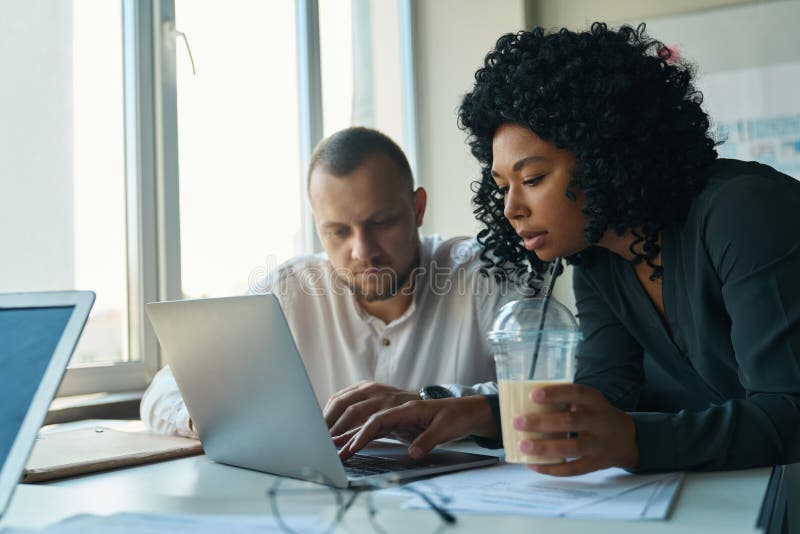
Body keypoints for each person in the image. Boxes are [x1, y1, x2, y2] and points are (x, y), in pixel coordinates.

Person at [336, 23, 800, 475]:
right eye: (502, 186)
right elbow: (606, 393)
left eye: (532, 179)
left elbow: (790, 411)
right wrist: (476, 412)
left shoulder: (744, 213)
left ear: (607, 153)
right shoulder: (598, 256)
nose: (512, 208)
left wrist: (635, 441)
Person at [141, 126, 528, 439]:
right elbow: (163, 392)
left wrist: (433, 403)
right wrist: (207, 419)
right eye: (339, 231)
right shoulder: (289, 291)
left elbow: (560, 392)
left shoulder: (485, 274)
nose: (363, 251)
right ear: (318, 229)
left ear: (418, 208)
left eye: (381, 223)